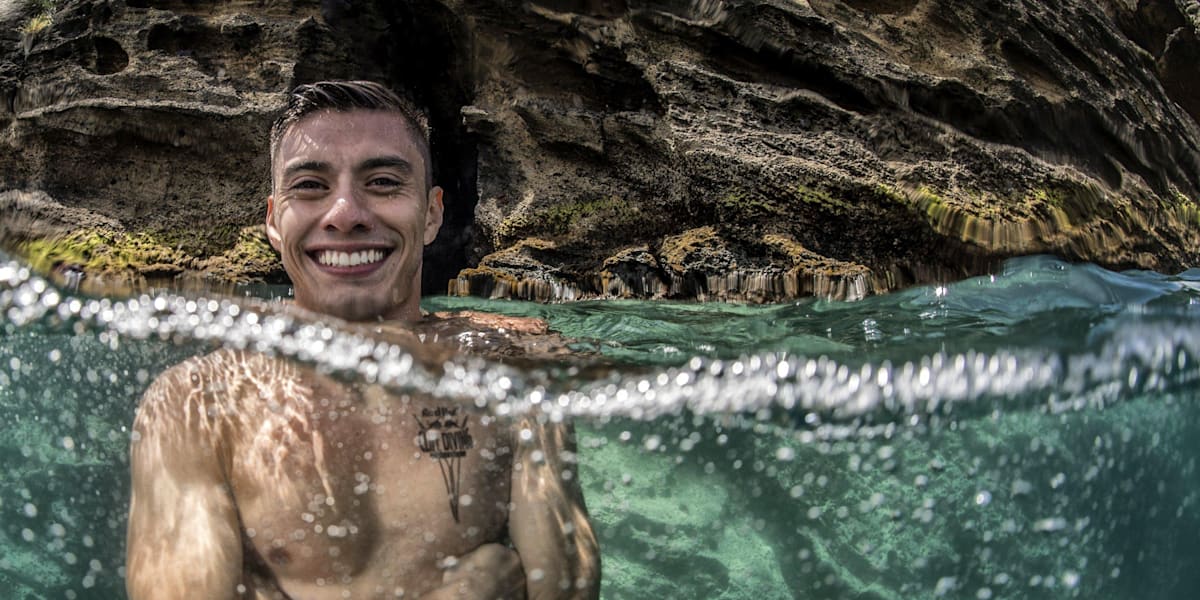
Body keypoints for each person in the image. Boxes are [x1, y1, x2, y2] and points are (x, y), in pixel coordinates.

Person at [125, 81, 600, 599]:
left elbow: (566, 586)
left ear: (433, 214)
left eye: (382, 182)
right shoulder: (196, 402)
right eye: (309, 185)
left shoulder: (509, 371)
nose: (346, 213)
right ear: (273, 222)